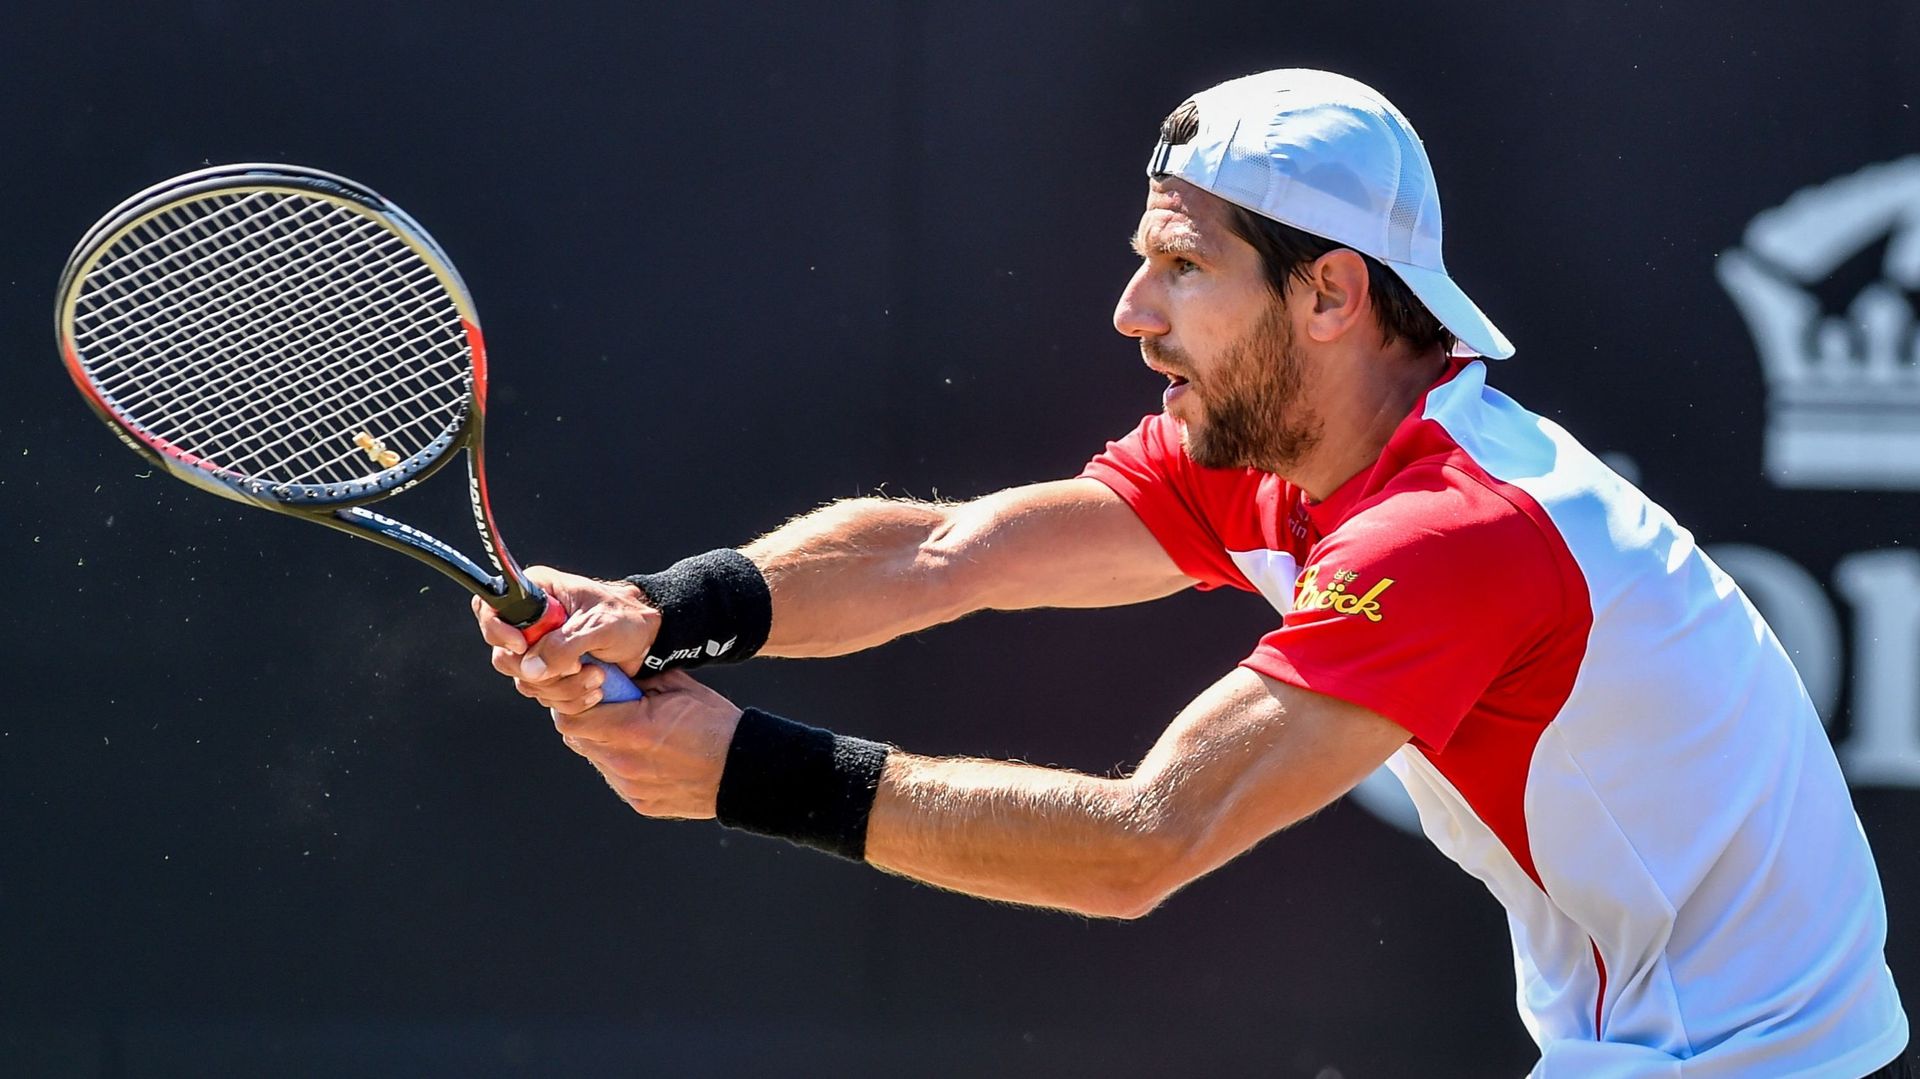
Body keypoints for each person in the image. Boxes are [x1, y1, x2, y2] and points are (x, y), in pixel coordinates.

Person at [472, 70, 1908, 1077]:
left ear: (1332, 294)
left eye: (1180, 266)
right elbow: (939, 553)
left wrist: (742, 772)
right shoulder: (1284, 441)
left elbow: (1138, 845)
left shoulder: (1454, 534)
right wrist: (674, 607)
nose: (1129, 310)